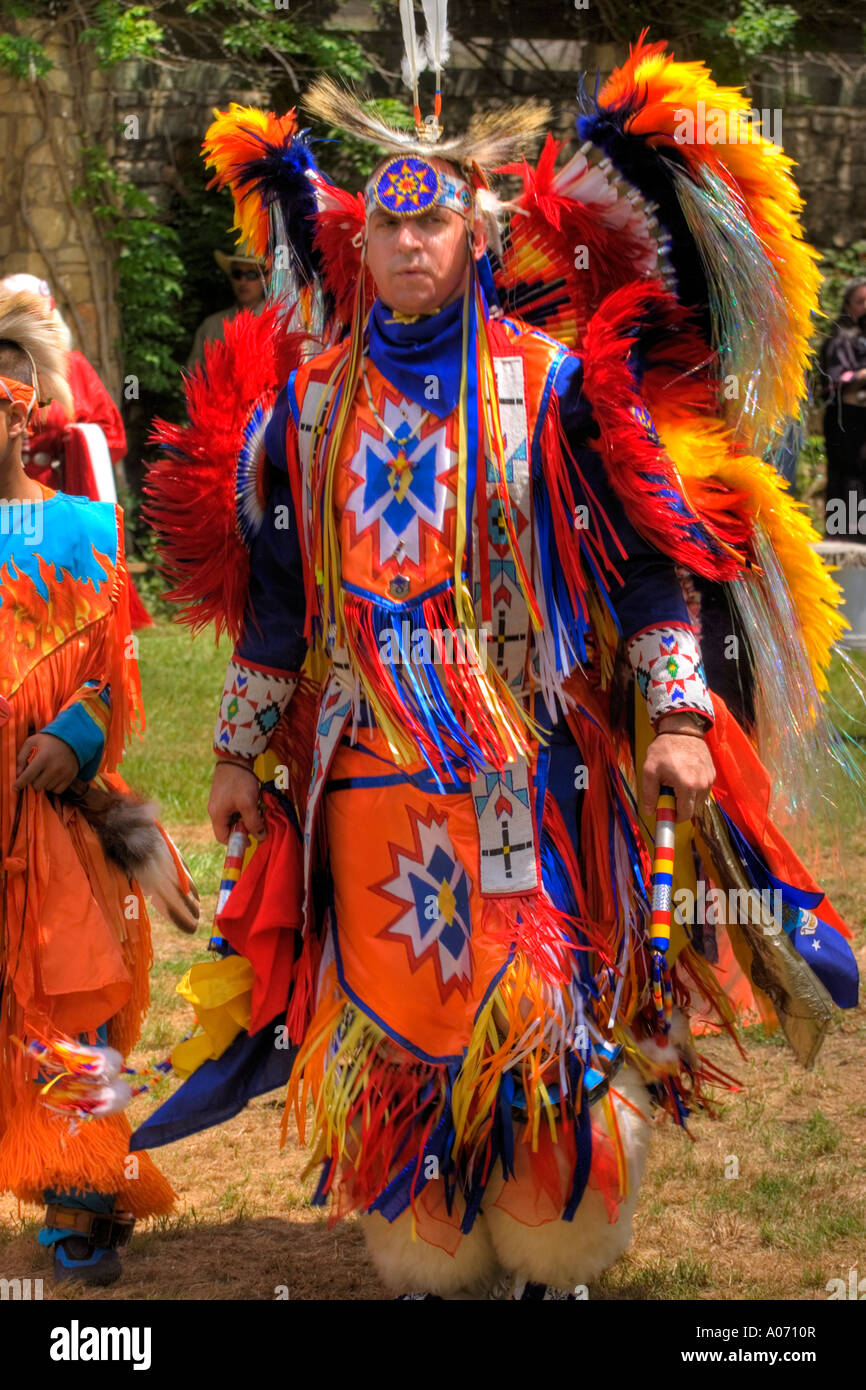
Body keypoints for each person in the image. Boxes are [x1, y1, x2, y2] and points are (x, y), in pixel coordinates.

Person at [145, 24, 858, 1299]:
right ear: (359, 246)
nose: (410, 247)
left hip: (524, 764)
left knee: (536, 1022)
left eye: (434, 229)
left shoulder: (558, 391)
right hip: (365, 776)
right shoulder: (303, 412)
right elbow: (274, 606)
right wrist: (239, 752)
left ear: (475, 240)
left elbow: (648, 565)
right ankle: (432, 1243)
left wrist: (680, 714)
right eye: (386, 230)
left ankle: (547, 1238)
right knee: (394, 1023)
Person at [0, 289, 198, 1285]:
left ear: (18, 404)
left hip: (53, 817)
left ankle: (83, 1190)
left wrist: (75, 742)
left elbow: (112, 671)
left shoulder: (79, 530)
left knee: (65, 997)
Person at [820, 276, 866, 533]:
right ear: (848, 305)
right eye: (861, 301)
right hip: (845, 420)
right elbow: (834, 381)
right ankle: (847, 546)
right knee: (848, 483)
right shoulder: (841, 338)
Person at [186, 251, 268, 369]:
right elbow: (192, 378)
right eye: (237, 274)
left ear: (266, 278)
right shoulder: (211, 326)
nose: (243, 282)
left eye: (252, 274)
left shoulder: (279, 322)